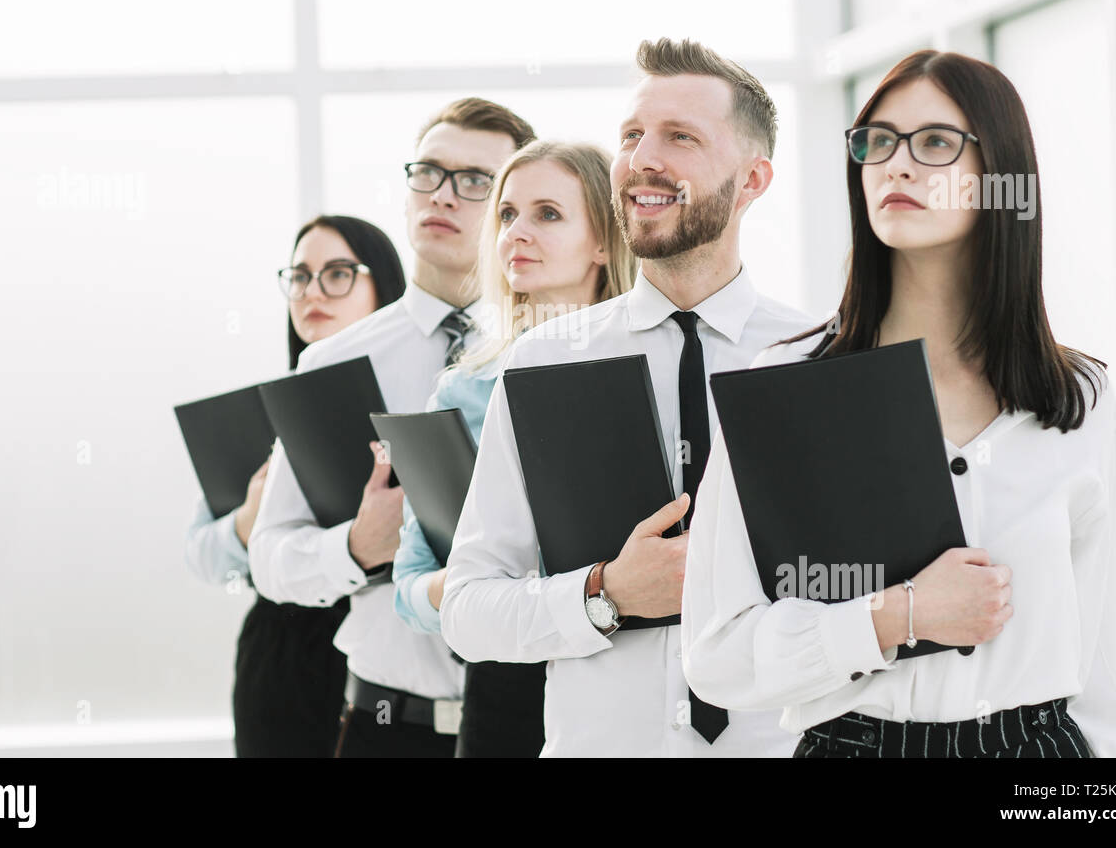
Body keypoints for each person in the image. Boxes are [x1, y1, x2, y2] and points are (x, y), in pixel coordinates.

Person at [681, 50, 1116, 758]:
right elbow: (719, 654)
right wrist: (894, 615)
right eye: (877, 142)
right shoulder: (786, 384)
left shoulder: (1080, 400)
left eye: (934, 143)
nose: (895, 165)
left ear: (999, 175)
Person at [439, 39, 816, 757]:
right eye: (632, 136)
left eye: (680, 137)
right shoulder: (547, 360)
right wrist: (606, 593)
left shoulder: (816, 358)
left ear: (753, 179)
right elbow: (467, 609)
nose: (644, 158)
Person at [248, 98, 536, 757]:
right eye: (427, 173)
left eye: (474, 180)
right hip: (389, 730)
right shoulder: (332, 363)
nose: (442, 195)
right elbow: (269, 557)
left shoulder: (553, 353)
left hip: (530, 726)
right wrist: (355, 546)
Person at [392, 140, 637, 757]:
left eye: (547, 214)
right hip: (504, 683)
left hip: (630, 679)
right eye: (506, 215)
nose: (516, 233)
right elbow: (408, 586)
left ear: (605, 241)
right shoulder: (463, 388)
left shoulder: (658, 370)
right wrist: (488, 589)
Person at [184, 214, 405, 757]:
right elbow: (203, 556)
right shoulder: (266, 411)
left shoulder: (423, 394)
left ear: (383, 284)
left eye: (337, 274)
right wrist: (248, 517)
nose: (313, 292)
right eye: (300, 276)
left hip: (385, 661)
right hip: (281, 657)